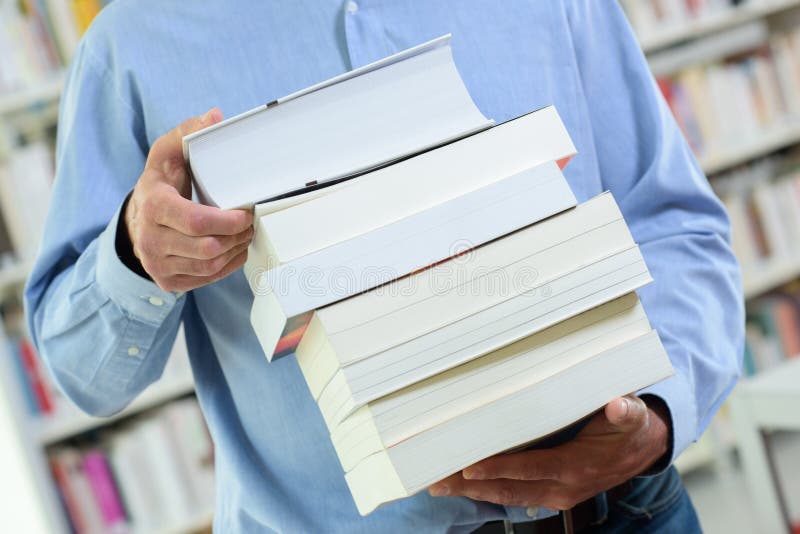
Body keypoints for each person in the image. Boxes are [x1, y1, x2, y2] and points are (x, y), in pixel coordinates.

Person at [25, 1, 743, 532]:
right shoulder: (134, 42)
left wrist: (655, 419)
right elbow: (79, 373)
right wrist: (133, 254)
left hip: (623, 511)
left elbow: (680, 226)